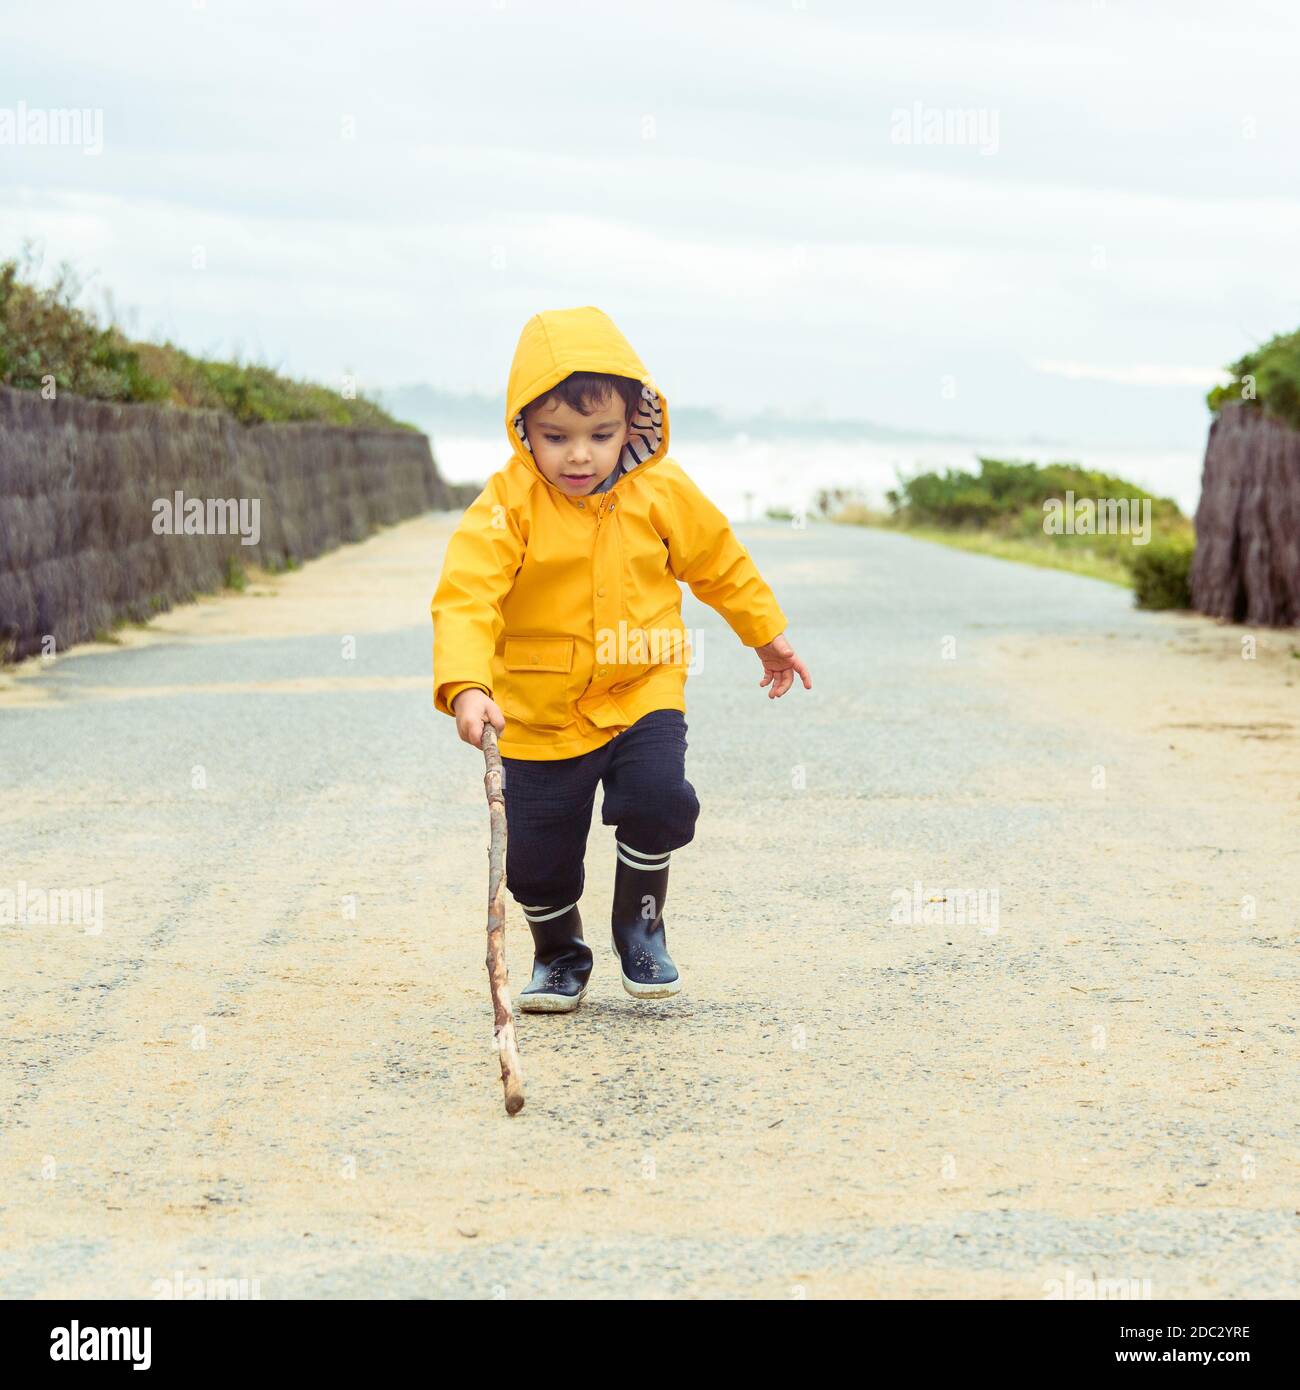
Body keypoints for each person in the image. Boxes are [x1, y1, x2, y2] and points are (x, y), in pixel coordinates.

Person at [431, 306, 811, 1012]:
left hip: (644, 687)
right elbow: (465, 596)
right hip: (540, 711)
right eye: (557, 438)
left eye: (600, 436)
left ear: (633, 425)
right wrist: (465, 685)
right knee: (536, 861)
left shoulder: (661, 491)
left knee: (659, 800)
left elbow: (718, 560)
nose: (580, 456)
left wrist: (765, 631)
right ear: (523, 431)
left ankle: (641, 929)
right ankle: (558, 954)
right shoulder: (506, 505)